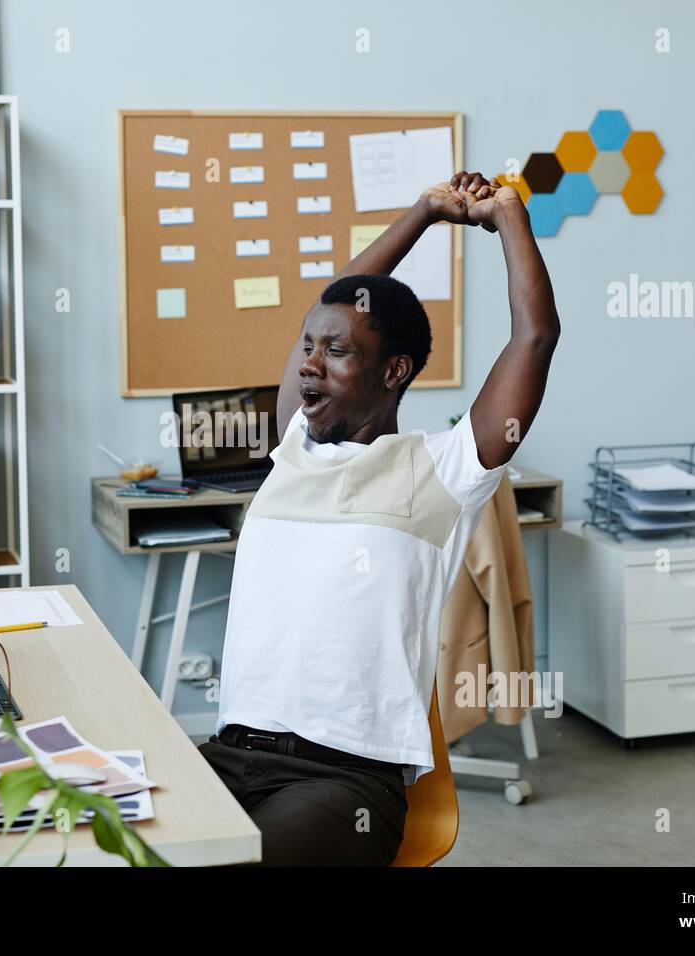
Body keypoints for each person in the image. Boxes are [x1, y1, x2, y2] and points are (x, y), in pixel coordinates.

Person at [198, 171, 560, 866]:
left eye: (337, 352)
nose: (310, 365)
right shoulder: (294, 447)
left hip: (346, 781)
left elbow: (535, 338)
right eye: (308, 347)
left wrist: (506, 211)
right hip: (231, 756)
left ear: (395, 371)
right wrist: (424, 211)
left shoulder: (445, 470)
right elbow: (335, 303)